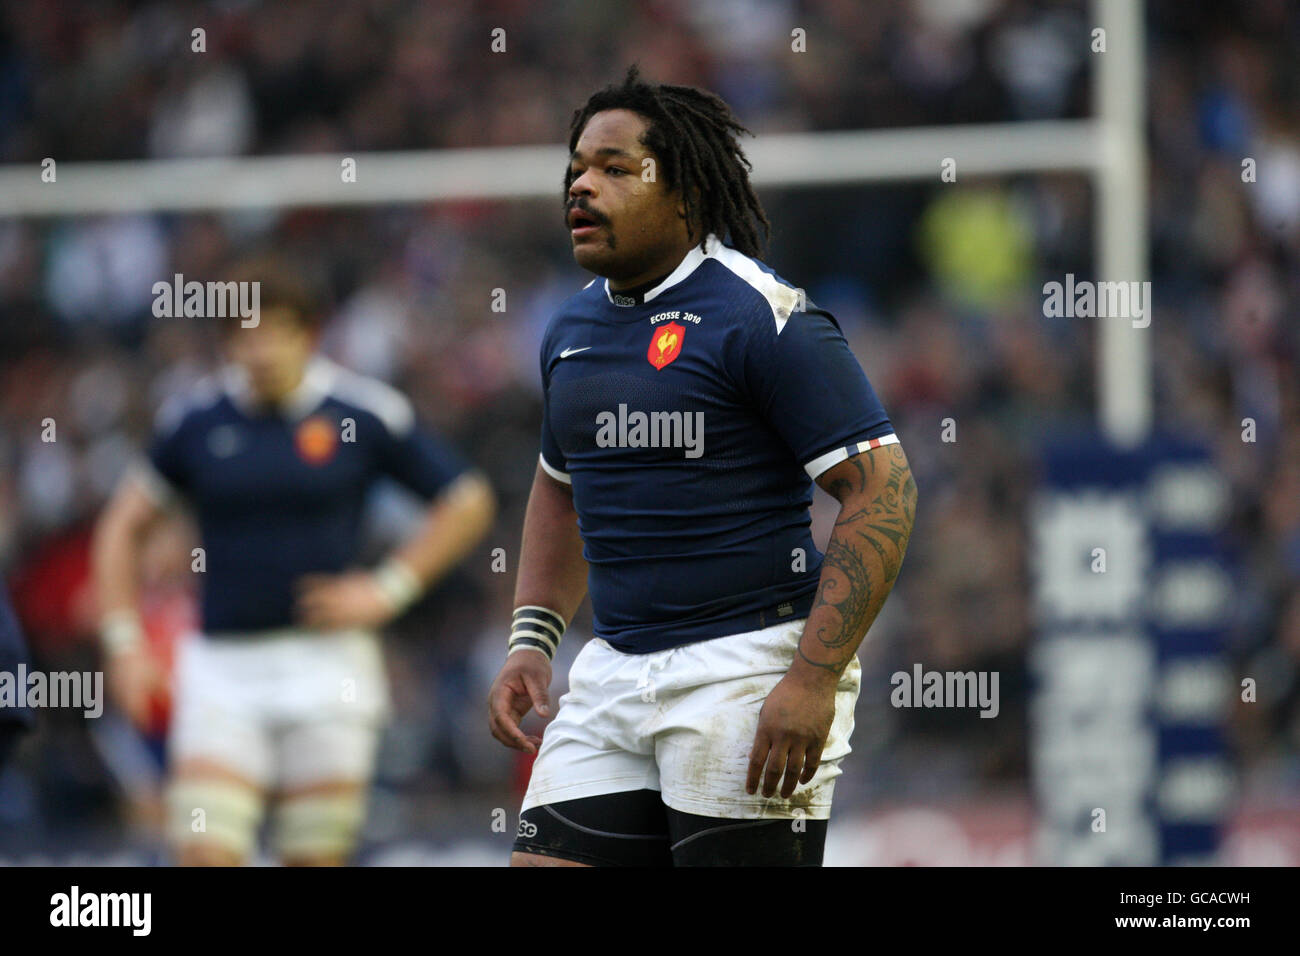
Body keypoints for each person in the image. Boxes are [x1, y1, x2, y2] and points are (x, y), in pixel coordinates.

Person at [488, 67, 917, 867]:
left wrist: (813, 679)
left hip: (747, 671)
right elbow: (559, 487)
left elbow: (883, 489)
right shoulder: (570, 327)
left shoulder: (761, 315)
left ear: (683, 191)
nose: (582, 186)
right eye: (576, 168)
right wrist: (532, 640)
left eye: (616, 169)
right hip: (611, 671)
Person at [94, 257, 494, 866]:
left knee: (312, 860)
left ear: (308, 331)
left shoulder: (361, 412)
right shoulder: (195, 420)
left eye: (274, 329)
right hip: (221, 670)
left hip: (328, 670)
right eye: (243, 333)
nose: (259, 349)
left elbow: (467, 500)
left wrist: (389, 588)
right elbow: (121, 526)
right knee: (203, 854)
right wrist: (124, 643)